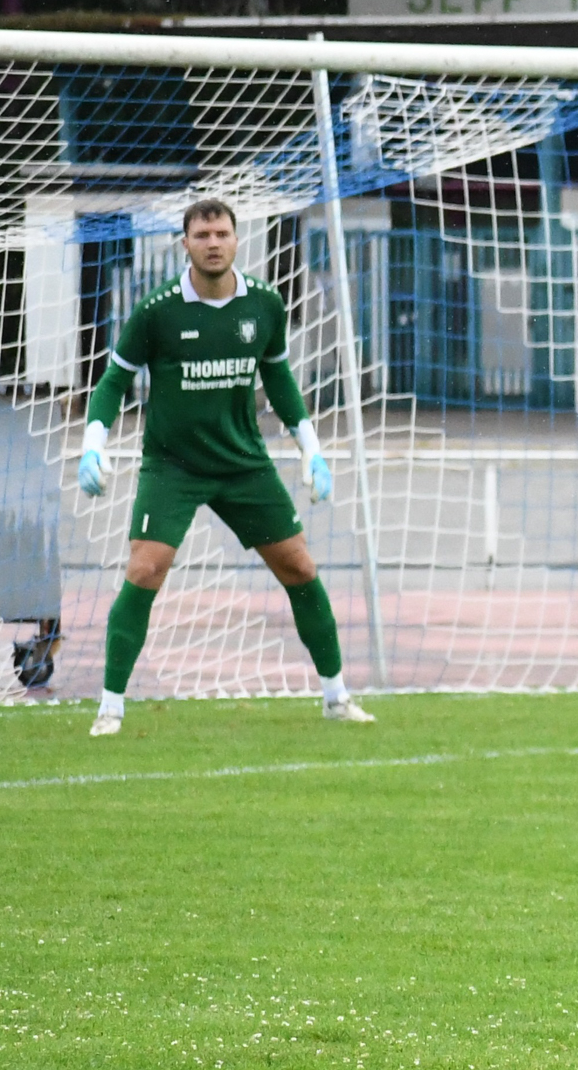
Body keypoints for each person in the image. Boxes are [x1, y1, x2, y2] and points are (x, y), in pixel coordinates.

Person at [76, 199, 371, 733]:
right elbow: (114, 381)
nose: (213, 242)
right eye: (202, 234)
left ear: (237, 241)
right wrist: (93, 445)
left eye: (222, 233)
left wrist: (312, 448)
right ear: (184, 244)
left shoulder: (264, 304)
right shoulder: (157, 310)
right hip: (173, 467)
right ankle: (110, 707)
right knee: (144, 571)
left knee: (300, 568)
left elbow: (278, 378)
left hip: (243, 464)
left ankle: (336, 697)